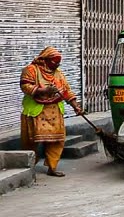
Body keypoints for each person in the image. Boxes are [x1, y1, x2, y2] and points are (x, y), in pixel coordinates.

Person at [20, 47, 83, 178]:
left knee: (57, 141)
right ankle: (28, 166)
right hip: (36, 112)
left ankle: (52, 167)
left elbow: (66, 91)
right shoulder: (31, 70)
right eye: (54, 62)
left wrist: (76, 106)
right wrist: (43, 91)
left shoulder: (58, 73)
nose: (57, 65)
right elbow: (25, 86)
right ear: (45, 60)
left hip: (54, 112)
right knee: (31, 141)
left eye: (58, 63)